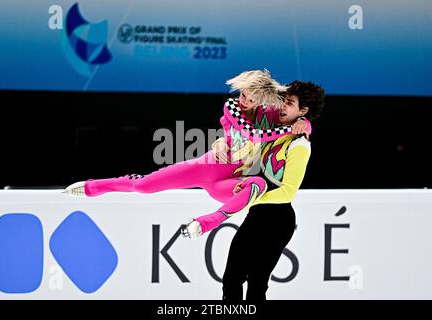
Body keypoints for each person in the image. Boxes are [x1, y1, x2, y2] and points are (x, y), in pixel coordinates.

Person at [63, 70, 311, 238]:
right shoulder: (232, 106)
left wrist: (305, 124)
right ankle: (92, 187)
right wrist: (292, 127)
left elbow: (299, 123)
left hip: (228, 181)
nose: (244, 99)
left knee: (257, 184)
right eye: (243, 93)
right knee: (144, 186)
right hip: (207, 167)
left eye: (251, 97)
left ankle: (206, 223)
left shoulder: (269, 115)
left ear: (262, 100)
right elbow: (253, 134)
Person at [221, 80, 325, 301]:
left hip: (278, 221)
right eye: (283, 102)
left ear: (303, 110)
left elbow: (288, 192)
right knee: (232, 278)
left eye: (289, 104)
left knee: (257, 284)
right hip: (257, 215)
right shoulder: (273, 130)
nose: (282, 107)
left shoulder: (300, 145)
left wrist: (249, 200)